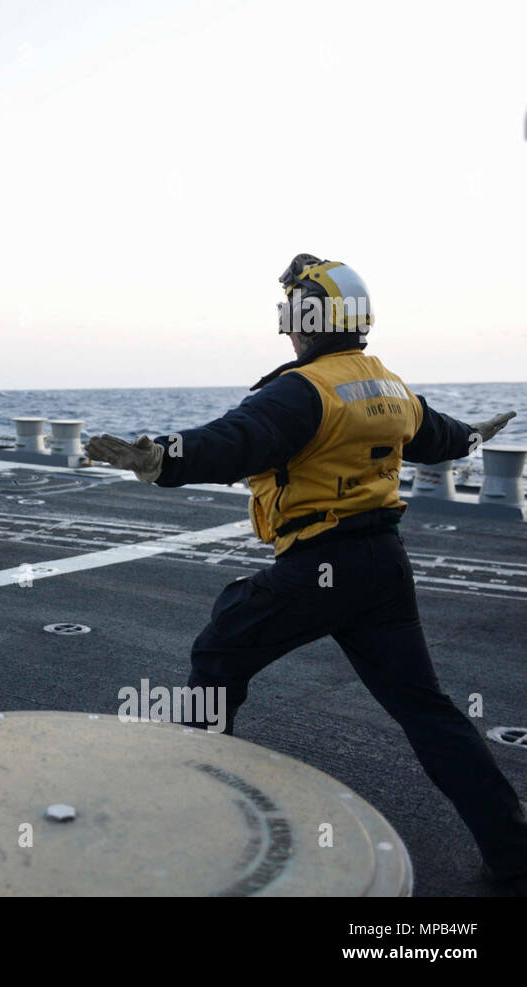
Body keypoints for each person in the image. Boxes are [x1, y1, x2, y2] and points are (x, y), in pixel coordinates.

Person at [85, 253, 527, 894]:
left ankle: (194, 812)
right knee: (428, 712)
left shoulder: (304, 389)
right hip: (383, 566)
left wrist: (159, 456)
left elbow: (237, 438)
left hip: (321, 563)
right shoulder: (387, 385)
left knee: (218, 652)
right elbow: (437, 435)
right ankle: (513, 853)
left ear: (305, 322)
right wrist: (473, 438)